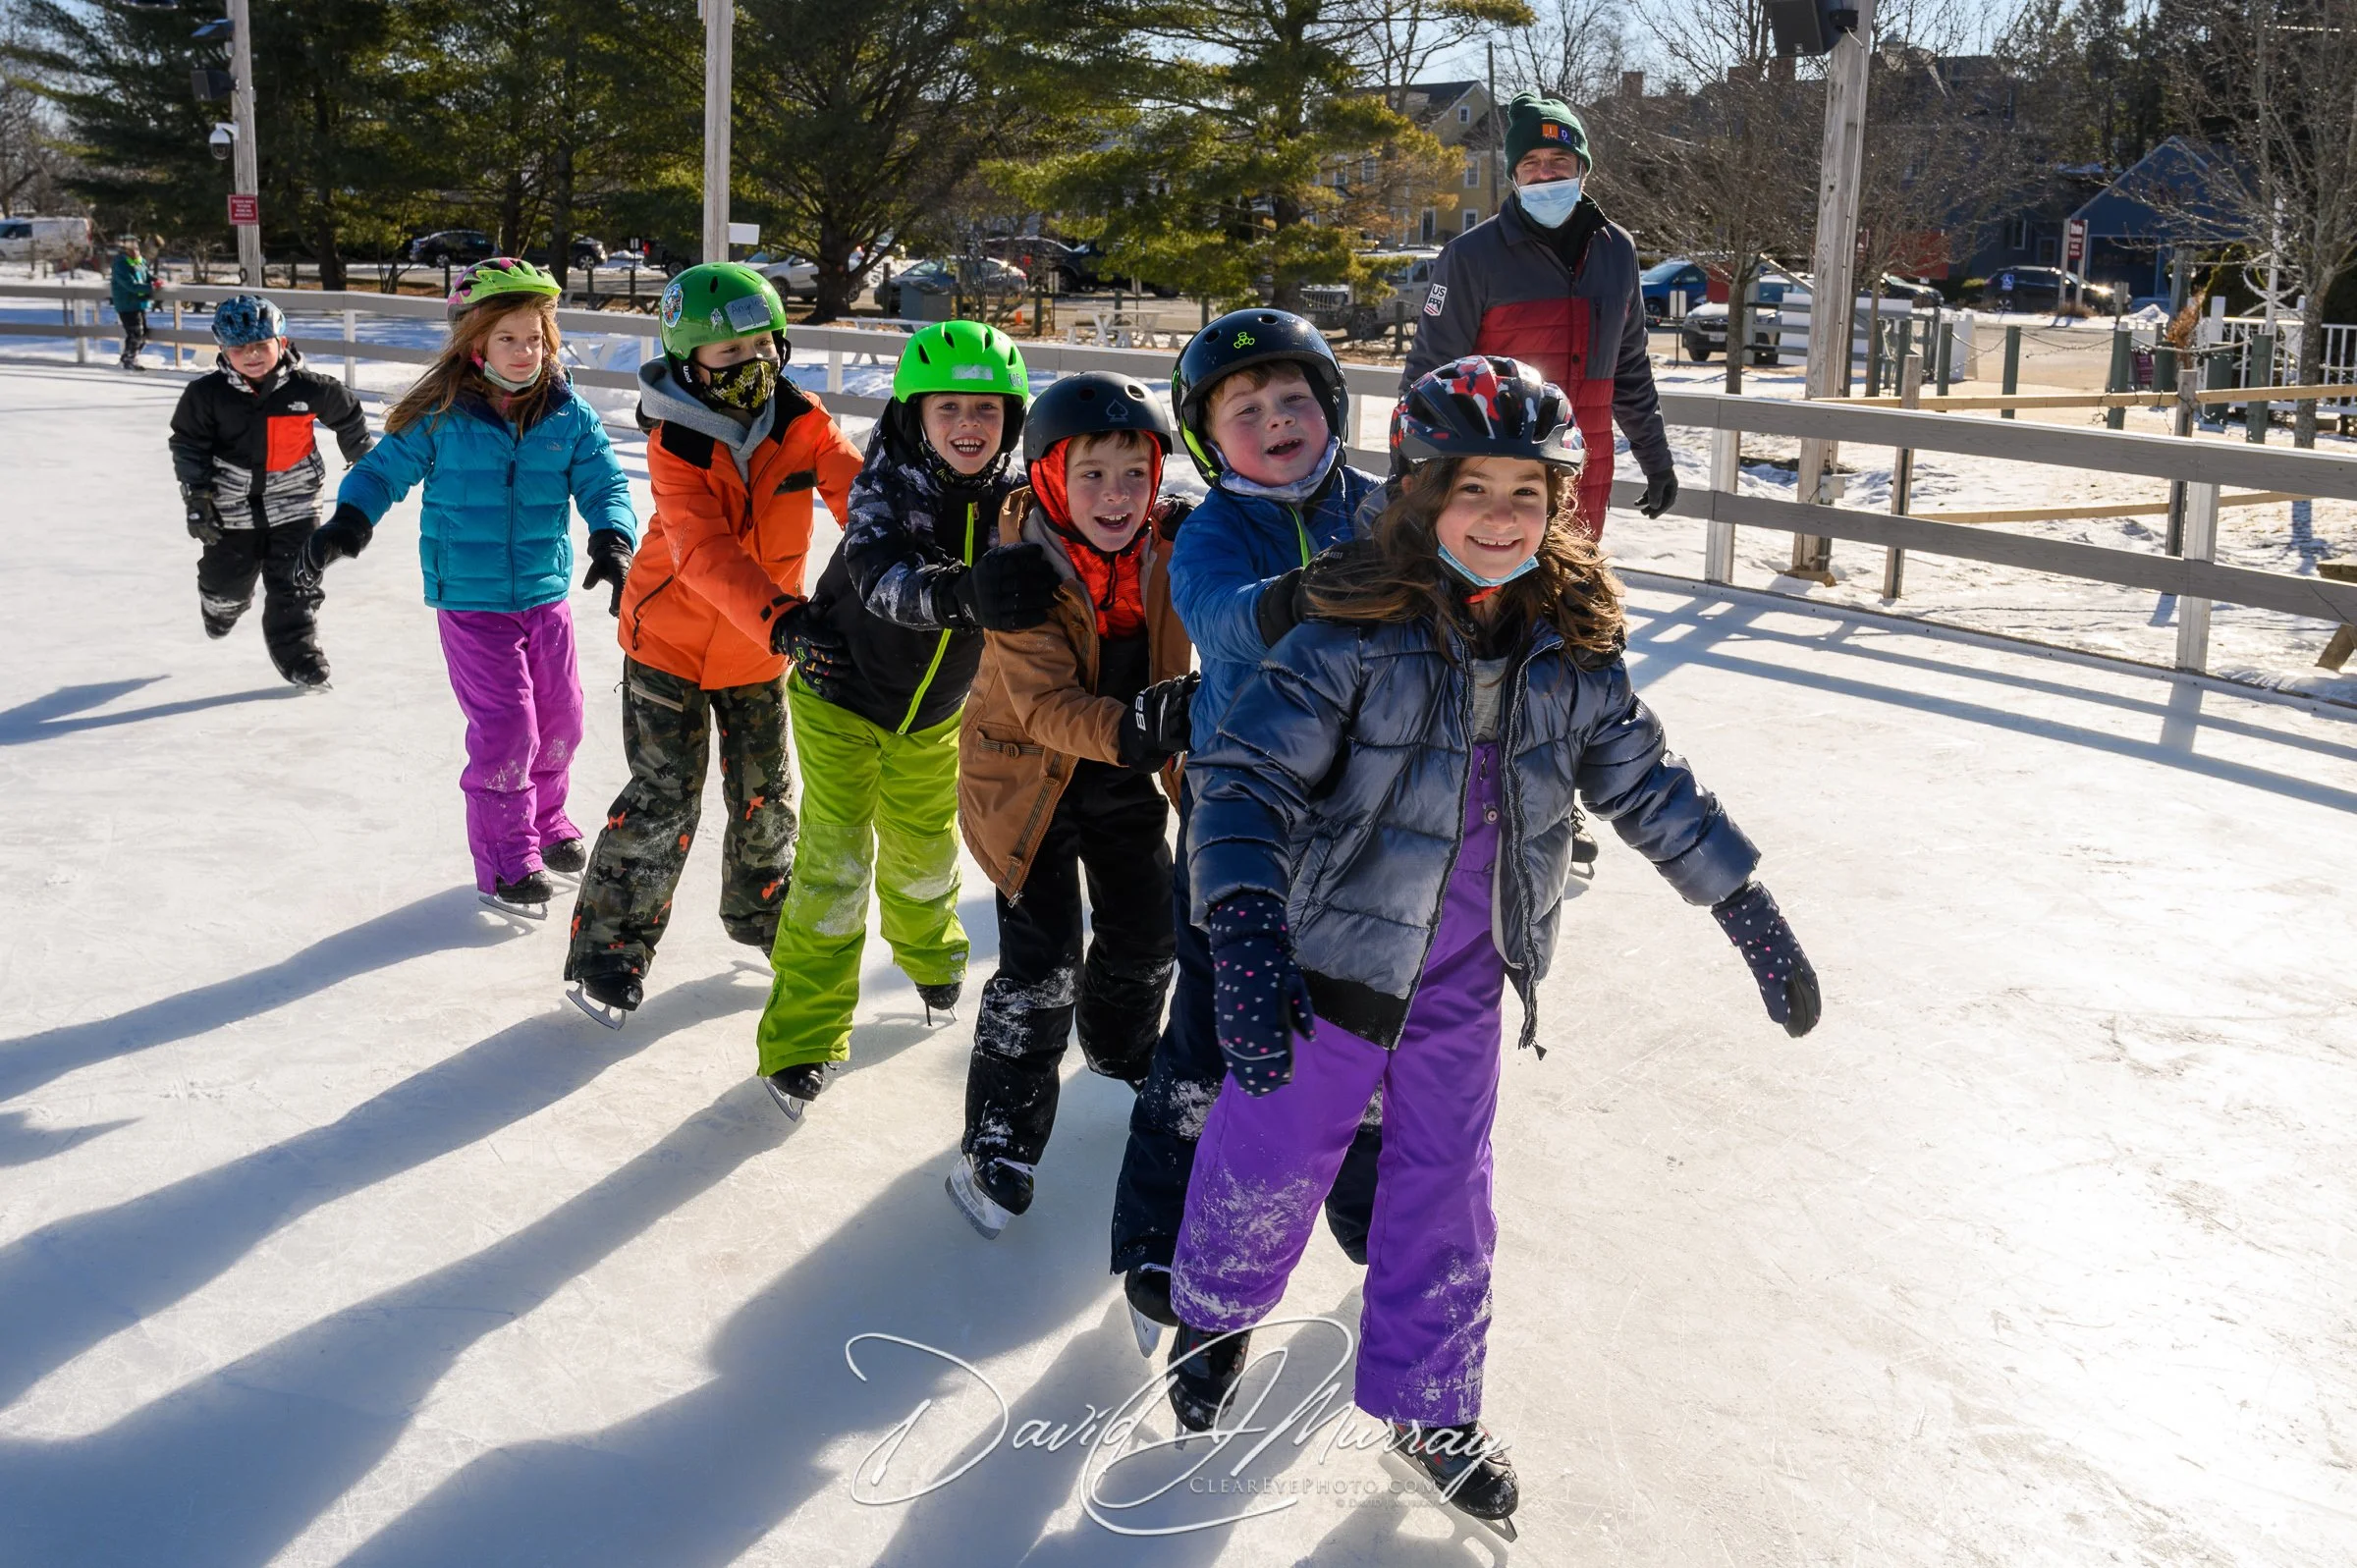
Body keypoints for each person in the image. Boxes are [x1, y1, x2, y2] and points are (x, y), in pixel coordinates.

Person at [1161, 355, 1822, 1538]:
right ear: (1417, 496)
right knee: (1266, 1152)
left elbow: (1647, 781)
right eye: (1476, 491)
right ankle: (1211, 1318)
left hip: (1468, 980)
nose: (1504, 517)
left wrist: (1742, 902)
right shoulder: (1346, 626)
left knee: (1447, 1191)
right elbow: (1243, 777)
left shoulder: (1569, 645)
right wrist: (1248, 925)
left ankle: (1433, 1406)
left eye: (1530, 491)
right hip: (1326, 971)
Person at [1108, 308, 1385, 1346]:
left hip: (1365, 839)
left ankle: (1373, 1219)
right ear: (1209, 438)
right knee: (1212, 1044)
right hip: (1243, 834)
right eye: (1247, 408)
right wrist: (1300, 596)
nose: (1276, 420)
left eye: (1294, 400)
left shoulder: (1384, 508)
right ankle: (1156, 1236)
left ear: (1332, 408)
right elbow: (1220, 615)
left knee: (1363, 1050)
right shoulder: (1213, 530)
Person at [750, 320, 1050, 1119]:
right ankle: (803, 1037)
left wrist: (1168, 512)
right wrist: (960, 596)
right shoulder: (886, 486)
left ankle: (931, 954)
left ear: (1013, 421)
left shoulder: (1020, 500)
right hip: (841, 697)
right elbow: (882, 575)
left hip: (935, 714)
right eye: (947, 407)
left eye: (987, 410)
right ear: (913, 416)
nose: (967, 426)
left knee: (924, 846)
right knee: (837, 863)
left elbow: (1097, 501)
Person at [561, 262, 861, 1026]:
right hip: (670, 643)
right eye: (730, 356)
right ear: (689, 359)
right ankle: (610, 949)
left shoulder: (803, 420)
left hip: (757, 652)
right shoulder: (676, 444)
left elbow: (857, 492)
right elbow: (702, 554)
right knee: (665, 798)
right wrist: (788, 618)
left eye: (764, 347)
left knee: (766, 799)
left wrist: (905, 553)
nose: (753, 366)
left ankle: (762, 914)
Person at [300, 257, 638, 917]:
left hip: (544, 595)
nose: (524, 352)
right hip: (472, 602)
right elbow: (382, 469)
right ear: (475, 343)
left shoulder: (566, 413)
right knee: (509, 729)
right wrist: (350, 517)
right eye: (507, 338)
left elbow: (605, 482)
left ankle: (547, 820)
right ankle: (507, 858)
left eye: (535, 338)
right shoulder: (442, 413)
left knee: (562, 721)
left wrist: (613, 538)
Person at [946, 371, 1198, 1240]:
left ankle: (1121, 1045)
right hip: (1025, 785)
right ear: (1050, 475)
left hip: (1124, 777)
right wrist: (1141, 728)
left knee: (1146, 930)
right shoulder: (1022, 568)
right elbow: (1045, 706)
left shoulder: (1170, 547)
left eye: (1137, 474)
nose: (1117, 496)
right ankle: (1001, 1138)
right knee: (1043, 961)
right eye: (1092, 475)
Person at [1402, 92, 1679, 537]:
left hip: (1585, 473)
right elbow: (1429, 375)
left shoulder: (1617, 251)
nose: (1545, 173)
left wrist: (1656, 459)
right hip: (1496, 482)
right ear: (1514, 174)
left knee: (1572, 598)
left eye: (1559, 159)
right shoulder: (1471, 256)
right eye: (1530, 162)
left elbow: (1629, 368)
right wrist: (1408, 472)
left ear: (1582, 169)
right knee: (1490, 599)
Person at [167, 294, 372, 688]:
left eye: (261, 345)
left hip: (295, 499)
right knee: (228, 578)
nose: (253, 356)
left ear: (281, 341)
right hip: (232, 502)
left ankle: (302, 657)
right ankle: (221, 606)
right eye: (240, 348)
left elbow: (348, 415)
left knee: (296, 579)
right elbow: (189, 445)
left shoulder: (309, 389)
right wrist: (196, 498)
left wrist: (360, 455)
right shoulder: (206, 395)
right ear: (223, 349)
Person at [110, 237, 161, 371]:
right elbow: (130, 285)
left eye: (137, 248)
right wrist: (150, 288)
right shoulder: (121, 264)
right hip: (127, 304)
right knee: (135, 333)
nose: (135, 251)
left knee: (142, 334)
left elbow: (146, 275)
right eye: (132, 248)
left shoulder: (140, 262)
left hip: (139, 303)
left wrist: (155, 280)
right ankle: (129, 358)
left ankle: (128, 356)